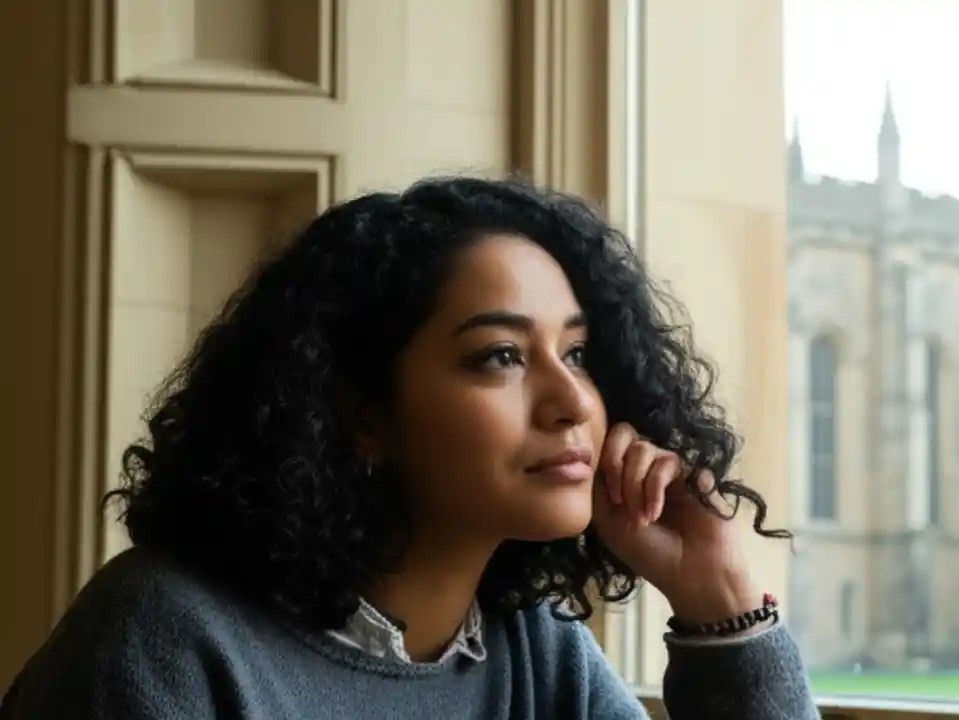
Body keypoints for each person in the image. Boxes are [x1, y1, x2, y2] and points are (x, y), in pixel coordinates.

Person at [1, 177, 817, 719]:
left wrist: (720, 601)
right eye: (500, 356)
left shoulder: (534, 648)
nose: (573, 402)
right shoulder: (166, 637)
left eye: (575, 353)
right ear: (361, 415)